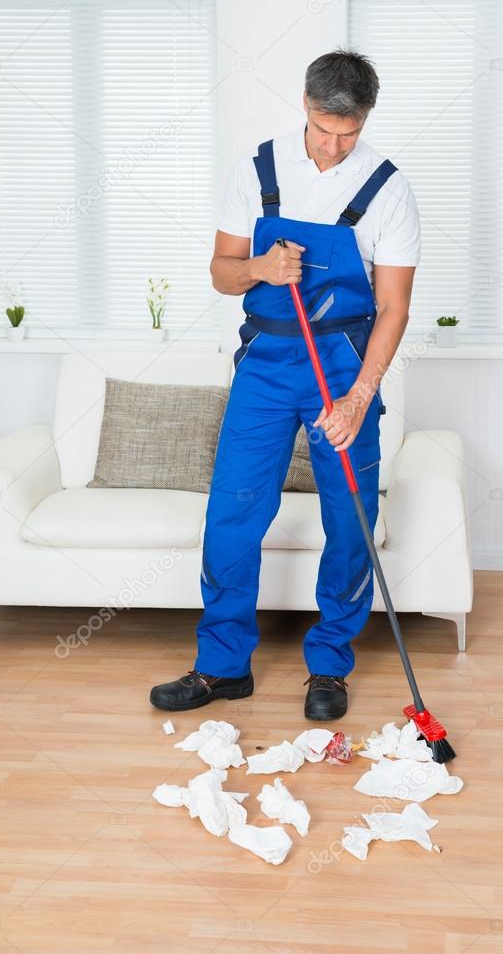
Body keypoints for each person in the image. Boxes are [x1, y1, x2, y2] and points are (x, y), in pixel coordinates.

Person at [150, 49, 421, 721]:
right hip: (267, 362)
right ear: (305, 104)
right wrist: (260, 268)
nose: (334, 147)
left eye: (348, 134)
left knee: (349, 517)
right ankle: (221, 665)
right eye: (326, 130)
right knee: (232, 511)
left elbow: (393, 306)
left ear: (365, 121)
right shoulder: (257, 168)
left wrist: (359, 395)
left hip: (342, 367)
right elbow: (220, 270)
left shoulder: (387, 188)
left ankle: (329, 664)